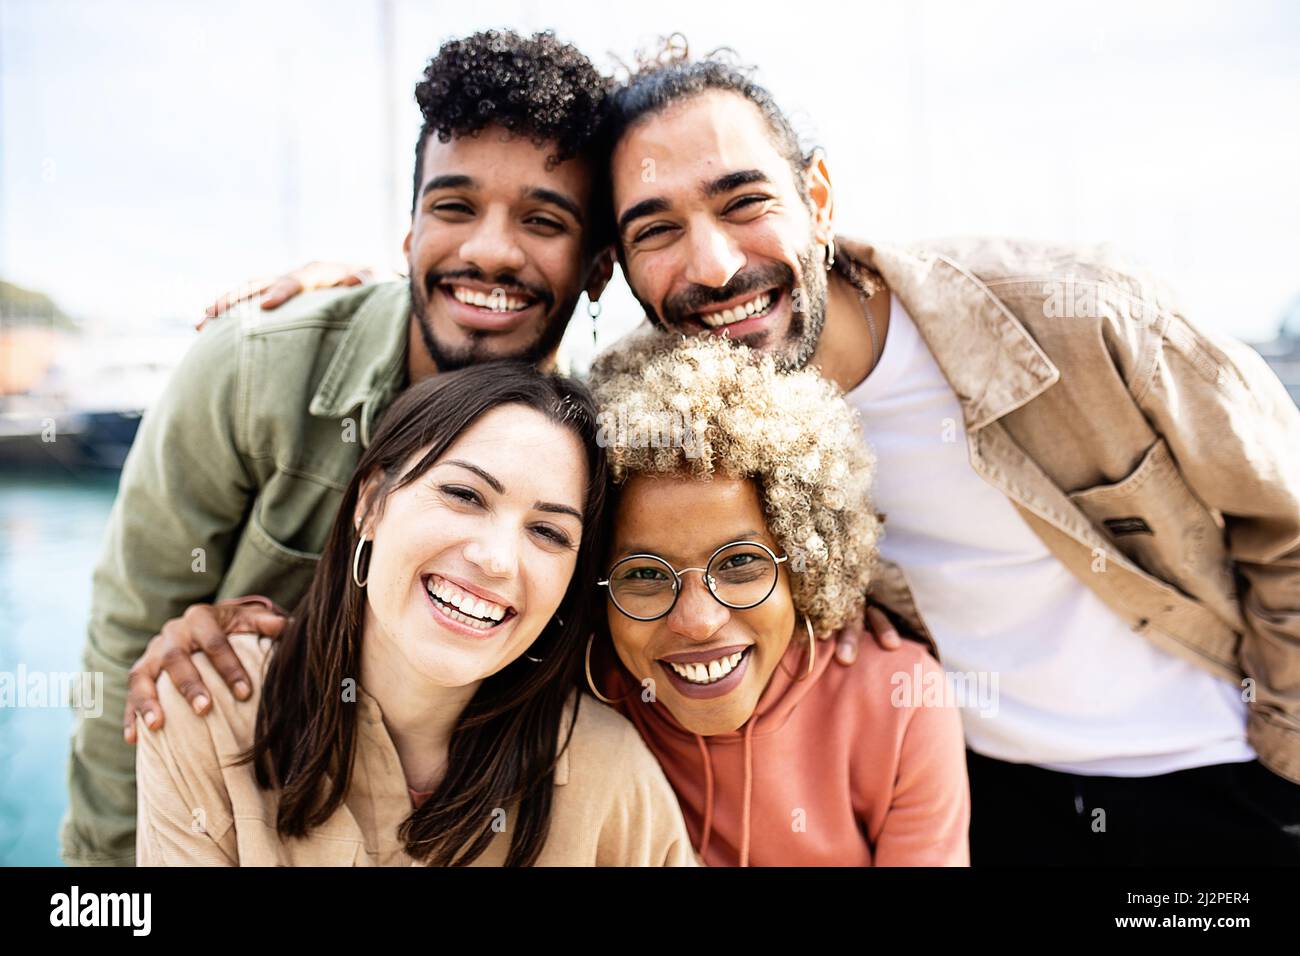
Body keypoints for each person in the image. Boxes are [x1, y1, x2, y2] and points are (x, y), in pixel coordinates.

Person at [222, 39, 1300, 864]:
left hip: (1218, 771)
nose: (714, 263)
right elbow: (499, 489)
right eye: (654, 228)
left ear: (817, 197)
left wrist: (1286, 745)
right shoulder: (662, 411)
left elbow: (1287, 518)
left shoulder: (1077, 316)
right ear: (620, 266)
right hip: (982, 784)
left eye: (743, 201)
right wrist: (363, 294)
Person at [63, 28, 619, 867]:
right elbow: (122, 650)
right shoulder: (250, 375)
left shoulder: (605, 449)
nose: (490, 251)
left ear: (597, 267)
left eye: (542, 220)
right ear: (407, 236)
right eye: (453, 207)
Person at [136, 361, 696, 866]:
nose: (497, 559)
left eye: (548, 531)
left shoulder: (614, 778)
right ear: (372, 503)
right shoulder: (206, 706)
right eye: (465, 495)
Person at [586, 334, 969, 865]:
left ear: (805, 561)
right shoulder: (583, 704)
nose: (697, 621)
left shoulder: (900, 702)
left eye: (740, 562)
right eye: (647, 574)